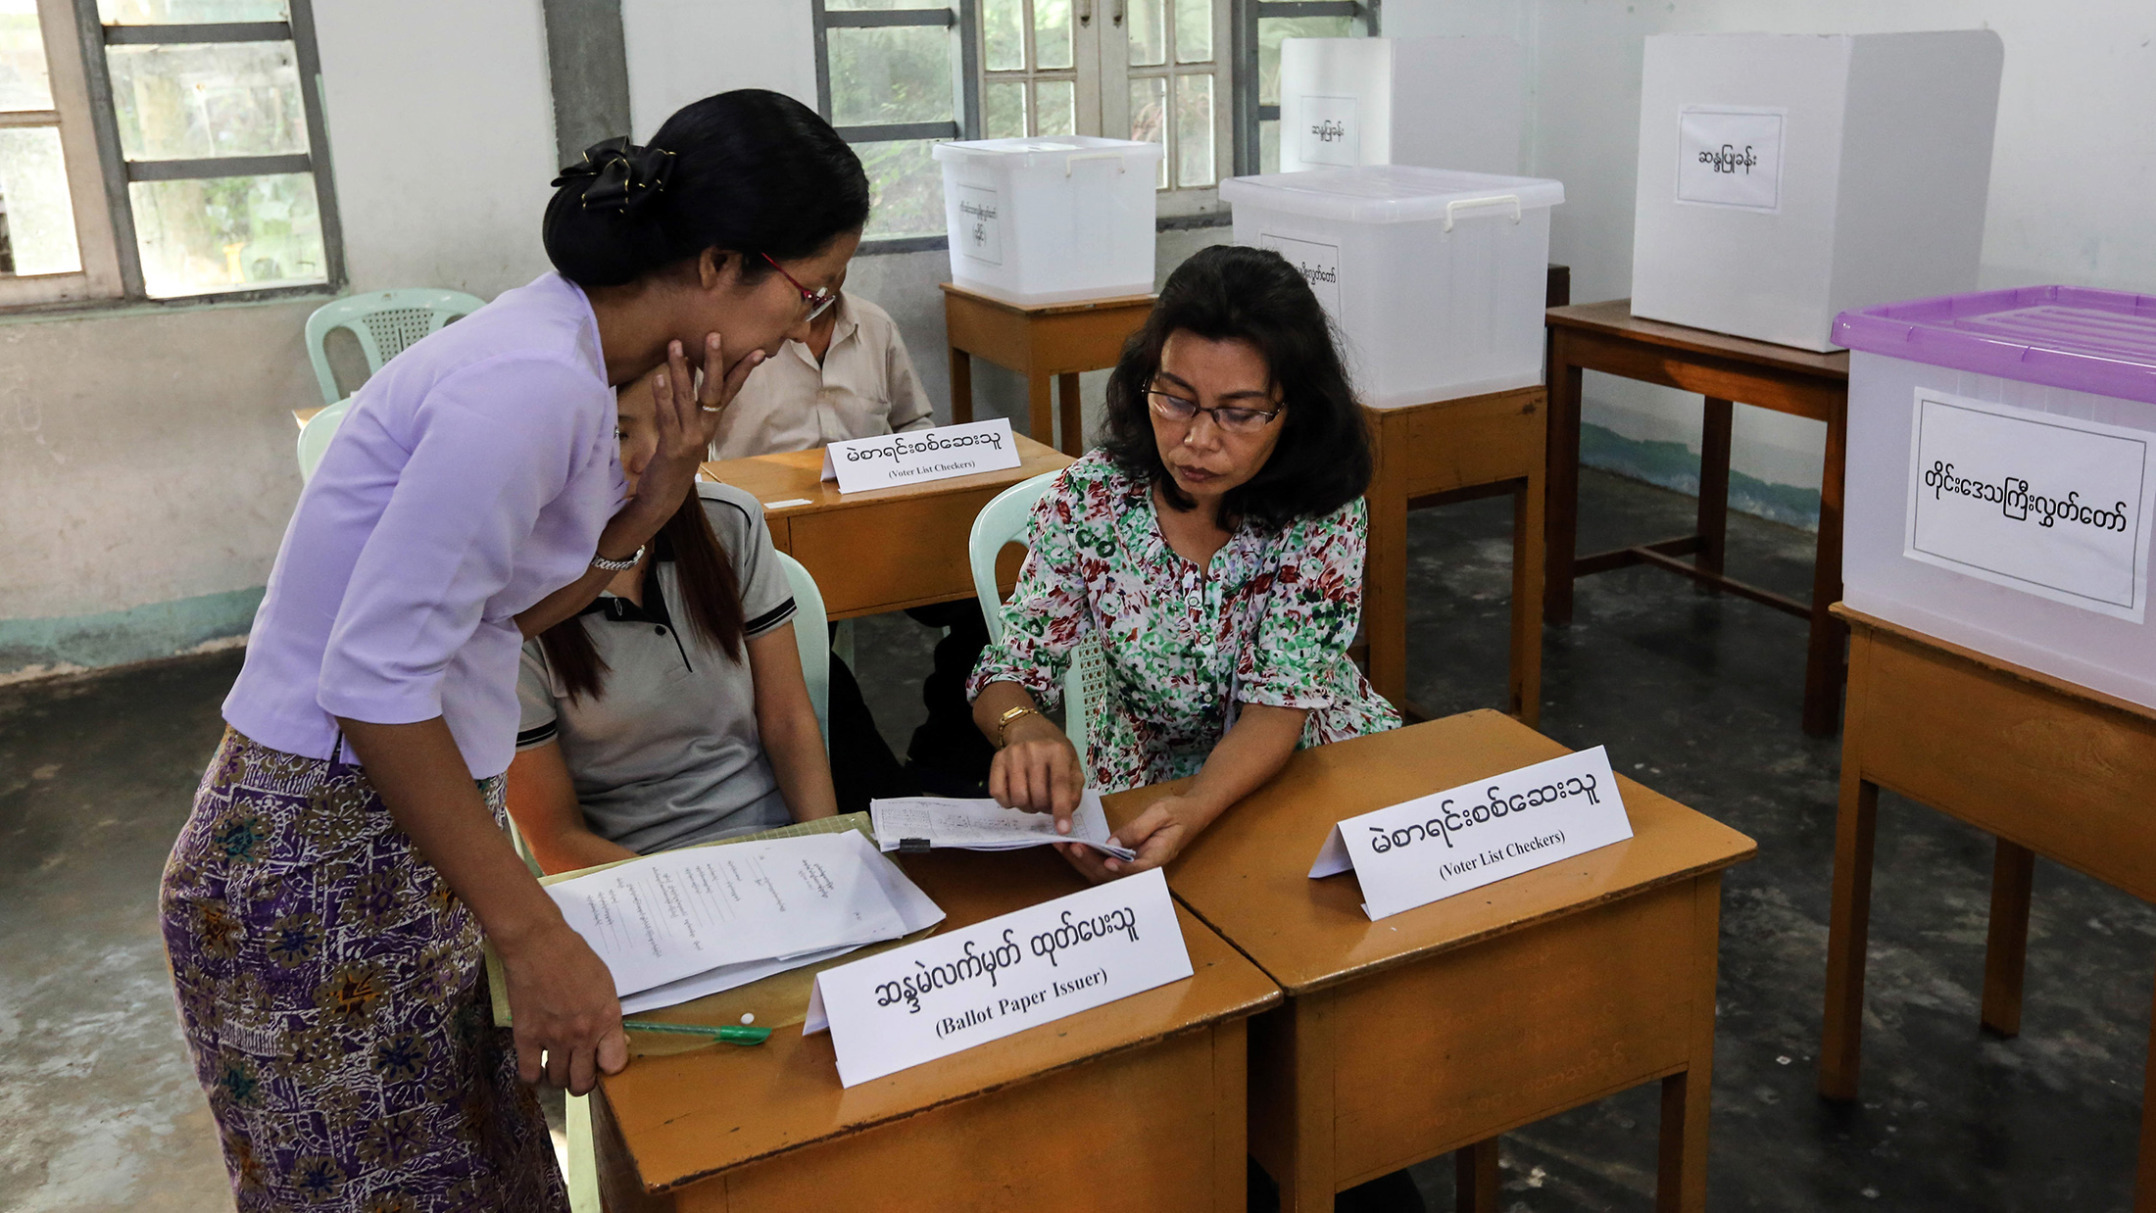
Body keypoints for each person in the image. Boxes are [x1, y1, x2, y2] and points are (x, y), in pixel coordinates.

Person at [157, 89, 868, 1211]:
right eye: (810, 290)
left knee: (485, 1176)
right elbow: (372, 686)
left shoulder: (575, 366)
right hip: (318, 854)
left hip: (408, 828)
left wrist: (653, 503)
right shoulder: (530, 383)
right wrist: (534, 932)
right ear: (721, 261)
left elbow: (495, 615)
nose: (805, 327)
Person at [968, 244, 1403, 883]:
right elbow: (1010, 670)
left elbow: (1276, 707)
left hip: (1307, 765)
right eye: (1174, 399)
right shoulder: (1090, 501)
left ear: (1295, 411)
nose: (1198, 439)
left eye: (1239, 413)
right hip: (1145, 788)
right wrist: (1022, 724)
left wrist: (1197, 807)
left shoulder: (1323, 512)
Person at [506, 369, 837, 875]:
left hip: (776, 848)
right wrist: (700, 893)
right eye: (617, 434)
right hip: (629, 878)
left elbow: (789, 724)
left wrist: (827, 856)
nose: (648, 459)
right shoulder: (516, 604)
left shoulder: (731, 525)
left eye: (670, 426)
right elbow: (553, 837)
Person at [711, 264, 996, 801]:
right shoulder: (742, 339)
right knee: (808, 660)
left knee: (988, 603)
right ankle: (879, 796)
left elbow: (915, 423)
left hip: (876, 530)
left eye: (834, 268)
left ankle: (946, 761)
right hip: (779, 544)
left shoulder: (874, 325)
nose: (822, 287)